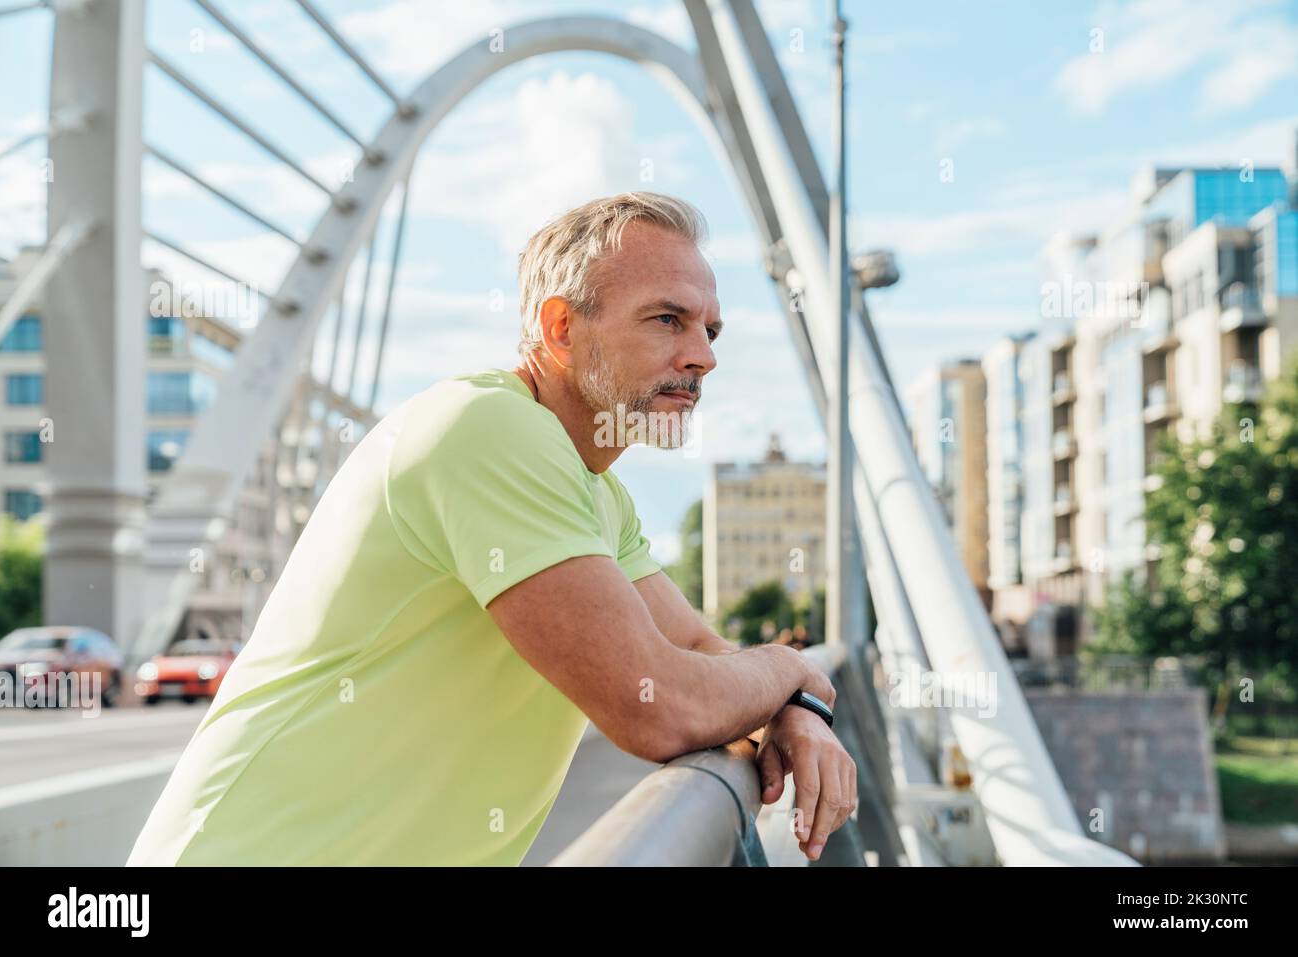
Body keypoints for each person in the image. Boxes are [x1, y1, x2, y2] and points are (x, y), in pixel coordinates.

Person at [126, 191, 857, 866]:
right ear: (561, 327)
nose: (704, 354)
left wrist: (791, 711)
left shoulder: (596, 492)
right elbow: (656, 702)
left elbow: (697, 649)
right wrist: (792, 673)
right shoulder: (491, 430)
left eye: (709, 328)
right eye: (668, 318)